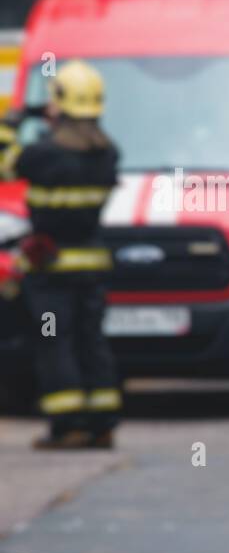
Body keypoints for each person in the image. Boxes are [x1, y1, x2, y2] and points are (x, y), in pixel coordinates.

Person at [0, 60, 121, 449]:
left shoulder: (43, 154)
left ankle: (67, 425)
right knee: (92, 342)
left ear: (59, 104)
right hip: (91, 271)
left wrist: (14, 120)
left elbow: (4, 160)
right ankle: (101, 422)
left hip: (50, 273)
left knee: (55, 342)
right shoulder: (107, 154)